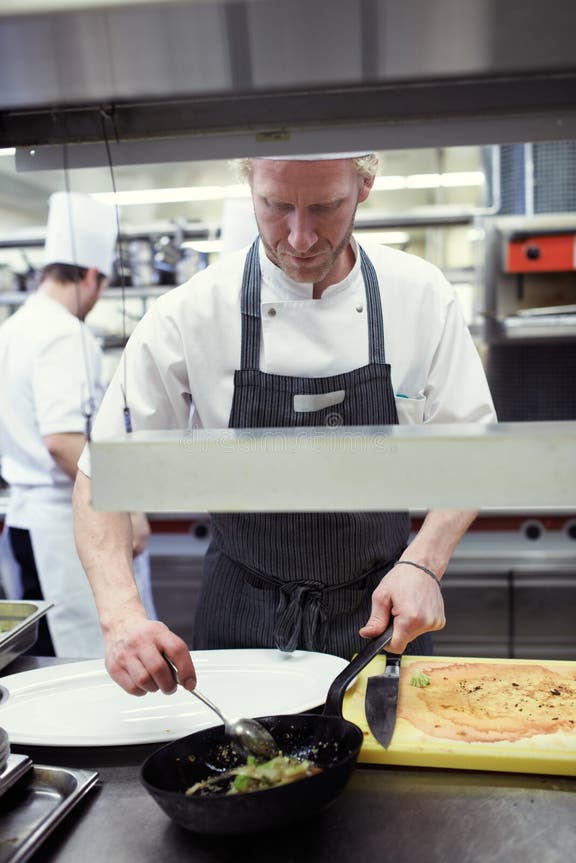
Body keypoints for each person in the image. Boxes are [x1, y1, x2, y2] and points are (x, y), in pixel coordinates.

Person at [73, 153, 496, 695]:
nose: (298, 238)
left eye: (325, 207)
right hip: (240, 618)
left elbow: (473, 445)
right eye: (275, 206)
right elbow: (100, 476)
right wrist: (122, 616)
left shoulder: (419, 296)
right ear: (250, 185)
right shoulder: (191, 313)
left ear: (364, 186)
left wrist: (425, 562)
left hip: (383, 613)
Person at [0, 191, 155, 657]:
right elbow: (63, 441)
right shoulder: (64, 333)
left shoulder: (14, 327)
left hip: (27, 526)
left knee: (42, 654)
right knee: (85, 659)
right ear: (90, 276)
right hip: (62, 527)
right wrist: (126, 507)